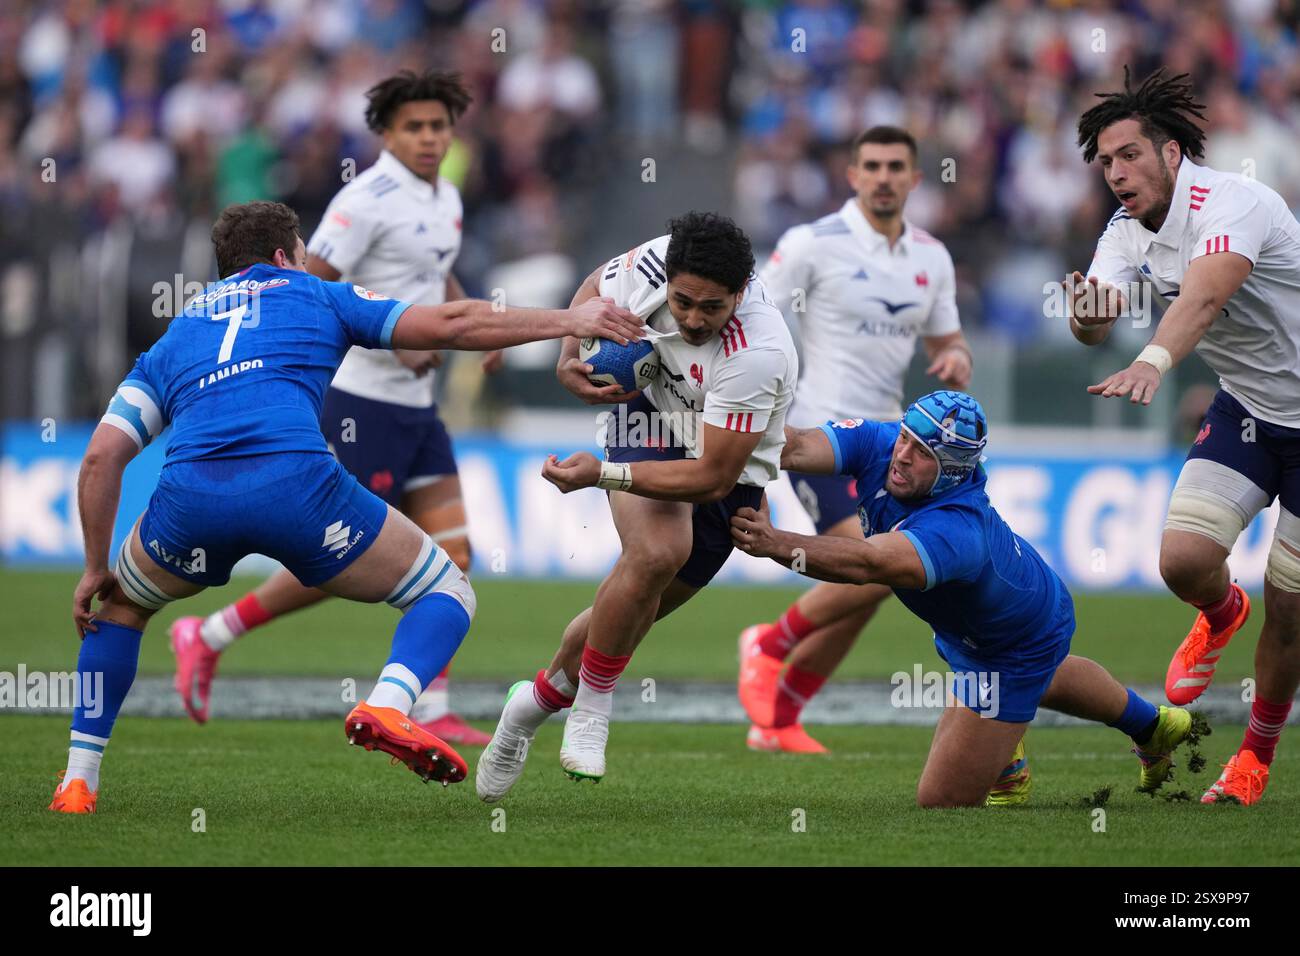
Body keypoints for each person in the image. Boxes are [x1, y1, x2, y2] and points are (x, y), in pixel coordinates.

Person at [49, 200, 642, 813]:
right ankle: (388, 701)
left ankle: (78, 783)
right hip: (297, 487)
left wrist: (96, 565)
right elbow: (454, 324)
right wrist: (568, 319)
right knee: (447, 589)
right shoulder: (316, 295)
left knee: (118, 611)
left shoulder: (174, 338)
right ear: (286, 256)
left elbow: (100, 459)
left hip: (191, 500)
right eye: (302, 251)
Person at [169, 70, 494, 745]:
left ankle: (429, 708)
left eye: (439, 126)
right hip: (362, 403)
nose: (430, 138)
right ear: (385, 134)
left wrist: (473, 321)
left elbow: (436, 270)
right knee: (340, 560)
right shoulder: (362, 201)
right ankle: (209, 630)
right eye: (415, 127)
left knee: (453, 557)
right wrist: (396, 345)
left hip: (419, 408)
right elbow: (305, 293)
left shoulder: (447, 198)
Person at [730, 390, 1193, 807]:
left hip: (1010, 647)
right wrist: (712, 425)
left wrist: (775, 542)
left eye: (922, 453)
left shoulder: (956, 528)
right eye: (905, 439)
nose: (902, 455)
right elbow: (794, 445)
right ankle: (1153, 726)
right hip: (993, 617)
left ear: (952, 470)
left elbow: (866, 565)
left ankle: (1007, 752)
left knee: (942, 801)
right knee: (1049, 676)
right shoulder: (886, 441)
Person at [474, 212, 798, 802]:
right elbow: (596, 285)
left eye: (712, 308)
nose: (694, 320)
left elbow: (712, 476)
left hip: (721, 468)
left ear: (742, 294)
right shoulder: (650, 263)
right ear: (666, 278)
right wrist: (568, 355)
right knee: (656, 552)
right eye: (683, 303)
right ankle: (595, 707)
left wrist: (600, 474)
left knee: (621, 615)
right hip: (648, 416)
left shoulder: (760, 351)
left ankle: (529, 708)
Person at [1068, 67, 1300, 805]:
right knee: (1182, 562)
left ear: (1171, 154)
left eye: (1129, 155)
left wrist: (1153, 360)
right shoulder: (1124, 232)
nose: (1116, 173)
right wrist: (1085, 313)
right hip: (1249, 408)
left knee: (1292, 606)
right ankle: (1221, 612)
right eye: (1106, 162)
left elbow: (1204, 296)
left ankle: (1254, 758)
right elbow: (1093, 320)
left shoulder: (1235, 201)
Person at [736, 126, 973, 753]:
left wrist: (956, 359)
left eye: (897, 166)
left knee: (875, 585)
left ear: (916, 178)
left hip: (894, 444)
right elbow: (757, 319)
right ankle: (767, 645)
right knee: (869, 570)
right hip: (820, 432)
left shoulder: (932, 257)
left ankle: (780, 719)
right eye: (872, 165)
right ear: (853, 174)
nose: (885, 176)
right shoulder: (811, 244)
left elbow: (946, 342)